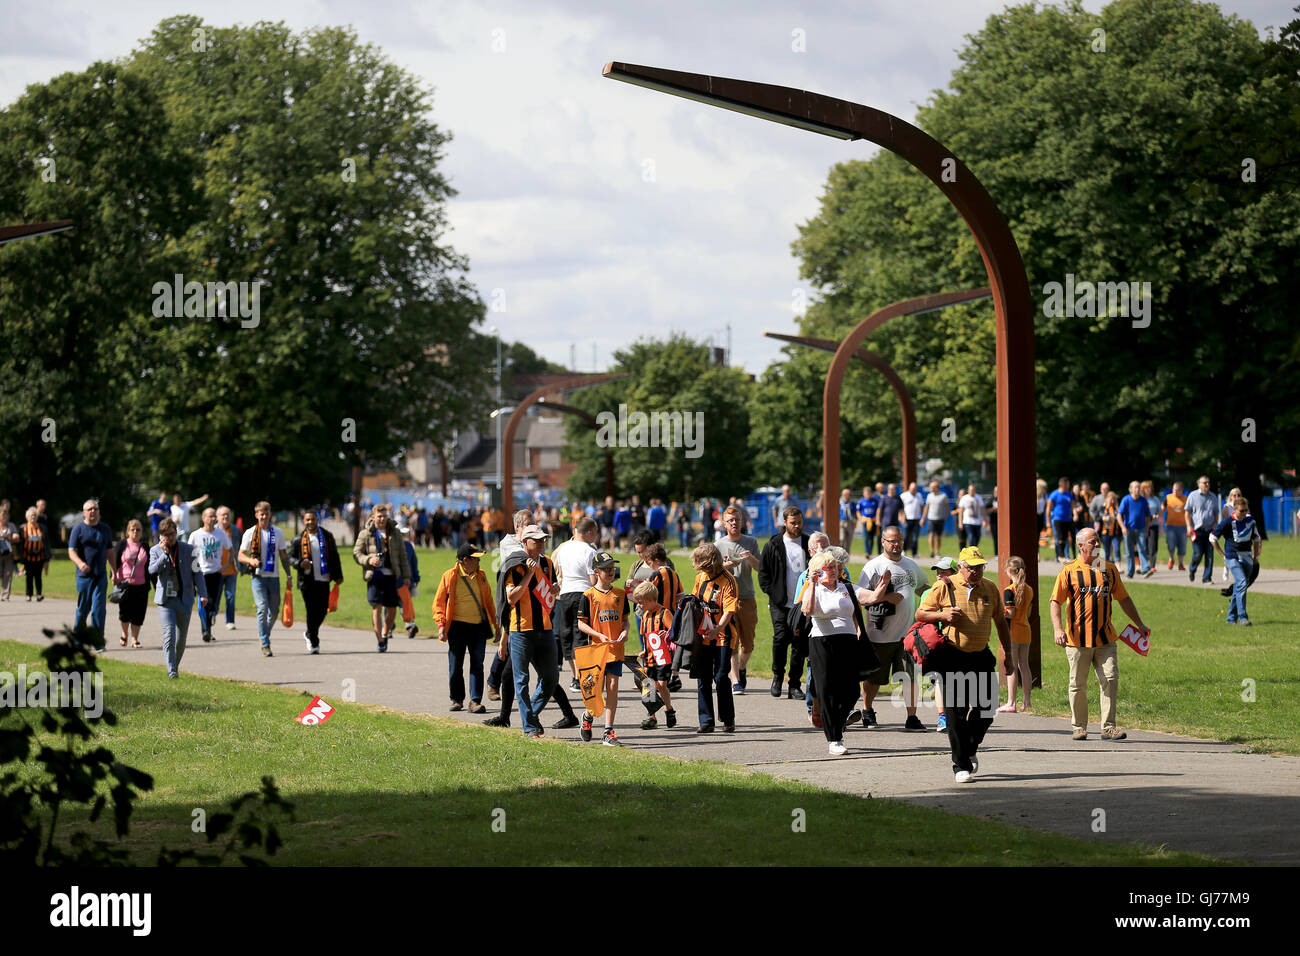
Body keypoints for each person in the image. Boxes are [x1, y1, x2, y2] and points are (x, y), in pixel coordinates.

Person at [915, 546, 1009, 783]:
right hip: (952, 655)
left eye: (980, 567)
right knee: (955, 712)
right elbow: (921, 614)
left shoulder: (990, 588)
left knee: (987, 707)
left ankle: (969, 746)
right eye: (972, 568)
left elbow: (1000, 621)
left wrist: (1008, 652)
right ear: (961, 567)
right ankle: (961, 766)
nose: (977, 572)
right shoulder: (944, 586)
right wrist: (942, 616)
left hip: (980, 656)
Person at [1050, 528, 1148, 741]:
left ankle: (1108, 726)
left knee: (1110, 679)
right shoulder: (1069, 571)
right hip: (1077, 640)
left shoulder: (1108, 569)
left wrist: (1139, 623)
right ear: (1081, 546)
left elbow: (1123, 598)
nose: (1097, 545)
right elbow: (1055, 601)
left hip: (1106, 639)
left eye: (1098, 541)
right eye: (1093, 542)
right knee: (1077, 684)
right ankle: (1079, 727)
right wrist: (1058, 629)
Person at [850, 525, 927, 732]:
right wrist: (885, 597)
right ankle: (867, 710)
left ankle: (912, 717)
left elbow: (922, 588)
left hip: (908, 634)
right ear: (883, 541)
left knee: (910, 676)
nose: (896, 544)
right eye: (892, 541)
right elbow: (861, 596)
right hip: (880, 633)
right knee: (874, 677)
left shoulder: (910, 565)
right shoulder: (873, 566)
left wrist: (939, 593)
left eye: (899, 540)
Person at [801, 550, 869, 756]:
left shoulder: (845, 587)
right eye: (827, 568)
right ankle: (834, 738)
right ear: (816, 571)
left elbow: (869, 598)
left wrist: (883, 586)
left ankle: (838, 725)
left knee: (851, 691)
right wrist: (812, 584)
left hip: (847, 641)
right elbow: (808, 610)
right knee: (827, 691)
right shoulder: (813, 589)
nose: (832, 571)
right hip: (821, 642)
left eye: (834, 567)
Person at [499, 525, 560, 738]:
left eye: (544, 539)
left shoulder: (548, 563)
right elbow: (511, 598)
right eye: (537, 540)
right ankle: (530, 727)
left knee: (551, 677)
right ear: (525, 542)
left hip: (545, 628)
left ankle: (529, 713)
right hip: (521, 630)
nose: (542, 543)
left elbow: (549, 595)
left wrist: (554, 589)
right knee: (521, 679)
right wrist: (529, 575)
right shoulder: (516, 564)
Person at [576, 550, 630, 746]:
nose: (611, 572)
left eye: (612, 569)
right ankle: (588, 716)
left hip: (615, 650)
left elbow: (625, 621)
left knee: (613, 688)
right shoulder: (588, 596)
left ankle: (608, 731)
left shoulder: (620, 595)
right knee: (596, 691)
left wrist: (625, 632)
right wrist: (597, 635)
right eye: (606, 569)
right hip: (597, 652)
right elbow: (581, 623)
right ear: (596, 571)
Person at [434, 543, 496, 712]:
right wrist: (441, 625)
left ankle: (475, 701)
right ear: (465, 560)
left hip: (478, 628)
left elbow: (489, 603)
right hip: (456, 627)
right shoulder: (449, 576)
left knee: (477, 665)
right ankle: (457, 699)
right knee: (455, 665)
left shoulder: (481, 577)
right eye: (476, 559)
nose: (479, 562)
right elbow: (438, 604)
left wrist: (496, 626)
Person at [759, 506, 810, 699]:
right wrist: (773, 593)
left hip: (802, 604)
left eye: (799, 522)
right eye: (793, 523)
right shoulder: (773, 544)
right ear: (785, 523)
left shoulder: (808, 543)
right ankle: (777, 677)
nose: (797, 526)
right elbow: (763, 574)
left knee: (799, 644)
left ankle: (794, 684)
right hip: (780, 603)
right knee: (780, 639)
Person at [149, 517, 207, 679]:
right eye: (167, 535)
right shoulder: (155, 551)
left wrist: (203, 594)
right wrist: (164, 555)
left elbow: (198, 573)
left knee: (181, 641)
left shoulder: (190, 549)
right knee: (169, 634)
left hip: (184, 599)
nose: (171, 537)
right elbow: (152, 571)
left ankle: (174, 665)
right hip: (166, 601)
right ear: (161, 536)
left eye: (173, 534)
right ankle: (172, 672)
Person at [691, 542, 739, 734]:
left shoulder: (728, 581)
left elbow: (729, 611)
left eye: (703, 565)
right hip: (703, 636)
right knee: (703, 678)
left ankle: (728, 719)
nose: (702, 569)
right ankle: (706, 721)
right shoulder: (701, 577)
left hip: (723, 635)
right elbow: (695, 601)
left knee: (720, 677)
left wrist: (717, 628)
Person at [352, 504, 411, 652]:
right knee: (376, 607)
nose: (382, 519)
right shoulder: (366, 534)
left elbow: (403, 556)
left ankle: (385, 632)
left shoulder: (395, 532)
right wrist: (369, 559)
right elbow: (356, 553)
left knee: (392, 608)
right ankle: (380, 641)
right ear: (373, 517)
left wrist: (406, 576)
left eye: (385, 516)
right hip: (375, 576)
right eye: (379, 516)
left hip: (392, 575)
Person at [238, 500, 293, 657]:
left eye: (266, 513)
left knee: (274, 611)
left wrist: (289, 575)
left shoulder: (278, 533)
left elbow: (283, 556)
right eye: (261, 513)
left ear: (270, 514)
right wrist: (251, 561)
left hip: (273, 577)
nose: (264, 516)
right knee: (262, 608)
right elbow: (240, 555)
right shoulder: (250, 533)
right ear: (256, 515)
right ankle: (265, 643)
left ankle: (264, 634)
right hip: (258, 577)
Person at [553, 516, 598, 696]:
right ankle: (583, 677)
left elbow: (561, 573)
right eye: (594, 533)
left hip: (565, 594)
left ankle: (574, 676)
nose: (595, 537)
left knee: (567, 636)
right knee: (581, 636)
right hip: (583, 594)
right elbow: (593, 579)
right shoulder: (590, 551)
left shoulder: (563, 549)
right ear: (588, 533)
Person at [718, 505, 759, 695]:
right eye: (731, 520)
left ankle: (742, 667)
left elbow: (760, 568)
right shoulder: (718, 545)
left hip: (747, 597)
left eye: (737, 520)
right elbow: (711, 572)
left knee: (748, 642)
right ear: (724, 524)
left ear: (742, 522)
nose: (734, 523)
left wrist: (750, 557)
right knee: (731, 641)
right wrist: (727, 565)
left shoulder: (750, 542)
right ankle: (735, 680)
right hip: (727, 599)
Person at [294, 507, 344, 653]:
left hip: (324, 579)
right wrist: (299, 564)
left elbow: (335, 556)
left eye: (313, 519)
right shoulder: (299, 539)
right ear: (304, 521)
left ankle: (309, 633)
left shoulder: (327, 536)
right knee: (311, 610)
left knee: (322, 610)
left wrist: (338, 576)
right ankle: (314, 642)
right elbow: (291, 558)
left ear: (317, 520)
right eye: (307, 520)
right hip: (307, 581)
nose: (310, 522)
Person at [630, 580, 677, 729]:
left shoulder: (664, 613)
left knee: (661, 685)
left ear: (651, 600)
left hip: (663, 658)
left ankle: (669, 709)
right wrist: (644, 650)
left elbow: (675, 631)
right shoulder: (644, 616)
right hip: (649, 658)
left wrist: (668, 634)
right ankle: (652, 717)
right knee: (648, 687)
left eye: (641, 602)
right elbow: (646, 637)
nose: (639, 605)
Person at [1210, 496, 1262, 627]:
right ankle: (1243, 617)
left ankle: (1230, 618)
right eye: (1241, 511)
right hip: (1232, 556)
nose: (1244, 513)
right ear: (1235, 510)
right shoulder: (1227, 521)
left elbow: (1256, 538)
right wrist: (1222, 555)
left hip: (1247, 557)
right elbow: (1213, 538)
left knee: (1240, 586)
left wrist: (1255, 557)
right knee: (1242, 582)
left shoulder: (1251, 520)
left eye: (1246, 510)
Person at [68, 499, 112, 639]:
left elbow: (110, 551)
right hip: (84, 576)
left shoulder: (105, 529)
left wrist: (115, 572)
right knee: (83, 608)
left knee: (99, 608)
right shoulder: (78, 529)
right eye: (90, 509)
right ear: (84, 513)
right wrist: (80, 563)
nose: (93, 511)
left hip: (100, 575)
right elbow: (71, 551)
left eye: (95, 509)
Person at [188, 507, 231, 643]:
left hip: (217, 573)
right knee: (205, 602)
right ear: (203, 518)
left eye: (214, 516)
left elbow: (230, 549)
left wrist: (226, 566)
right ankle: (205, 631)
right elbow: (188, 553)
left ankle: (209, 623)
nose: (212, 519)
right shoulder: (195, 535)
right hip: (202, 574)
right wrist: (192, 570)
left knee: (214, 604)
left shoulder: (221, 534)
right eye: (210, 516)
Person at [998, 555, 1034, 713]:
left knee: (1012, 667)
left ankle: (1011, 702)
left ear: (1010, 571)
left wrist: (1000, 612)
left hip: (1012, 632)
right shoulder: (1029, 589)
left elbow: (1010, 613)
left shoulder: (1009, 591)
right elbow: (1029, 611)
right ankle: (1027, 701)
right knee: (1024, 666)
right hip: (1026, 630)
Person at [112, 519, 150, 648]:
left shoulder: (145, 546)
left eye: (138, 529)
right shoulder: (122, 544)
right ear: (128, 531)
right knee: (125, 612)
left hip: (142, 585)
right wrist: (113, 576)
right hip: (125, 584)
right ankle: (124, 634)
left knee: (139, 613)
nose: (135, 532)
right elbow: (115, 562)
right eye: (133, 529)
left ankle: (135, 639)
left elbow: (150, 566)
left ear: (141, 532)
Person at [1185, 476, 1221, 584]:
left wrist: (1215, 524)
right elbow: (1187, 512)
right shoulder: (1193, 496)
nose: (1207, 485)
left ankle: (1207, 578)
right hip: (1197, 530)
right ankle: (1192, 569)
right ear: (1199, 484)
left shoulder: (1213, 497)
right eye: (1204, 483)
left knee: (1209, 554)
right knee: (1198, 553)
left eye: (1208, 483)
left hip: (1209, 530)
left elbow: (1216, 513)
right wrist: (1188, 526)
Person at [1118, 481, 1155, 578]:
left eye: (1138, 487)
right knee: (1129, 552)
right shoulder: (1126, 500)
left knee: (1142, 549)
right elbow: (1119, 515)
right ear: (1130, 489)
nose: (1137, 489)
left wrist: (1147, 529)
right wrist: (1123, 527)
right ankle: (1130, 572)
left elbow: (1147, 516)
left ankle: (1145, 569)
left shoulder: (1143, 500)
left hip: (1141, 529)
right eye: (1135, 487)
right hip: (1128, 529)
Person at [19, 506, 49, 602]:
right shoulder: (23, 528)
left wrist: (47, 556)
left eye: (35, 515)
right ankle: (29, 595)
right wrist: (20, 557)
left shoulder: (42, 527)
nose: (33, 517)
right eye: (31, 516)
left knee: (38, 576)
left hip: (39, 556)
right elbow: (20, 543)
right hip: (28, 557)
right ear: (27, 517)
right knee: (29, 576)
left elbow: (46, 542)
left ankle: (39, 594)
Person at [1047, 477, 1075, 562]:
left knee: (1066, 538)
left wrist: (1075, 514)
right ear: (1063, 484)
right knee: (1059, 538)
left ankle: (1062, 555)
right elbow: (1048, 508)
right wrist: (1048, 521)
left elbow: (1073, 506)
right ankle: (1060, 555)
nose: (1068, 486)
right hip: (1057, 519)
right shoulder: (1054, 494)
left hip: (1067, 519)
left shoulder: (1069, 494)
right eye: (1067, 484)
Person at [1162, 481, 1188, 571]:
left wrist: (1189, 526)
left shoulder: (1185, 499)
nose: (1174, 492)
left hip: (1182, 526)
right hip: (1170, 526)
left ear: (1181, 490)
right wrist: (1159, 517)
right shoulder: (1168, 497)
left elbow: (1188, 513)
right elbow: (1163, 508)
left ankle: (1180, 563)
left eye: (1177, 490)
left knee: (1182, 545)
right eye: (1173, 489)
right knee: (1171, 544)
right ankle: (1171, 559)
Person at [1141, 480, 1163, 572]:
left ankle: (1152, 565)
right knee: (1143, 545)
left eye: (1150, 487)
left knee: (1153, 545)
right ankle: (1144, 564)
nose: (1148, 489)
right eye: (1146, 487)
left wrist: (1157, 515)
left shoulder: (1155, 499)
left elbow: (1159, 511)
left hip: (1153, 525)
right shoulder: (1141, 499)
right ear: (1143, 489)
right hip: (1142, 526)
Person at [925, 480, 950, 558]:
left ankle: (937, 552)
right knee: (931, 535)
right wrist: (923, 518)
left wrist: (945, 517)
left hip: (940, 519)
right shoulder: (929, 495)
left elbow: (947, 507)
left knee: (939, 536)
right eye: (930, 487)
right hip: (931, 518)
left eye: (932, 487)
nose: (930, 488)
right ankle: (931, 551)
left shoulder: (943, 495)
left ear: (936, 487)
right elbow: (927, 507)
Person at [957, 484, 987, 549]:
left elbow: (982, 510)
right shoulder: (964, 498)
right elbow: (960, 511)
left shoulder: (978, 497)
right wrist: (960, 522)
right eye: (970, 490)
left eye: (973, 490)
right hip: (968, 522)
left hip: (977, 522)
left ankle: (974, 550)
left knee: (977, 537)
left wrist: (984, 520)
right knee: (971, 537)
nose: (972, 491)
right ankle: (972, 551)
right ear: (968, 490)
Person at [1098, 490, 1123, 565]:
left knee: (1117, 549)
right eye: (1110, 499)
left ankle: (1118, 565)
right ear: (1107, 498)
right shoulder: (1103, 507)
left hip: (1116, 532)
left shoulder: (1117, 508)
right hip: (1105, 533)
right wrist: (1105, 518)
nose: (1112, 501)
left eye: (1113, 499)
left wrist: (1117, 507)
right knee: (1107, 551)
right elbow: (1100, 516)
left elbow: (1121, 516)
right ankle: (1107, 566)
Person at [900, 481, 924, 556]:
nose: (914, 490)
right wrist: (901, 517)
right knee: (905, 536)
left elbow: (921, 507)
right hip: (907, 519)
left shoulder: (919, 495)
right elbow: (901, 508)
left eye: (915, 489)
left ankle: (915, 553)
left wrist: (923, 518)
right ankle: (903, 551)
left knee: (915, 538)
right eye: (913, 489)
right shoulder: (904, 495)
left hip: (916, 519)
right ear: (909, 488)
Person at [856, 485, 880, 557]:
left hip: (873, 521)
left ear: (871, 493)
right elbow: (858, 512)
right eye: (866, 493)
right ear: (864, 493)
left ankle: (870, 552)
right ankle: (867, 552)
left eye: (869, 493)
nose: (868, 494)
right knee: (866, 537)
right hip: (865, 521)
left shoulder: (875, 501)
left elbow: (878, 511)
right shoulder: (861, 502)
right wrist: (861, 519)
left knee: (872, 538)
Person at [0, 504, 17, 601]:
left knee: (8, 574)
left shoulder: (11, 526)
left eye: (6, 516)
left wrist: (10, 537)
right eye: (2, 516)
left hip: (8, 553)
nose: (4, 518)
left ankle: (5, 595)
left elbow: (16, 537)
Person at [837, 488, 856, 555]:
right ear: (843, 495)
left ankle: (846, 555)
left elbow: (855, 513)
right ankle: (840, 553)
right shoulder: (839, 502)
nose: (848, 496)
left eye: (849, 494)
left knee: (849, 540)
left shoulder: (852, 503)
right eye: (846, 494)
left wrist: (855, 522)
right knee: (842, 538)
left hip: (850, 522)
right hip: (841, 522)